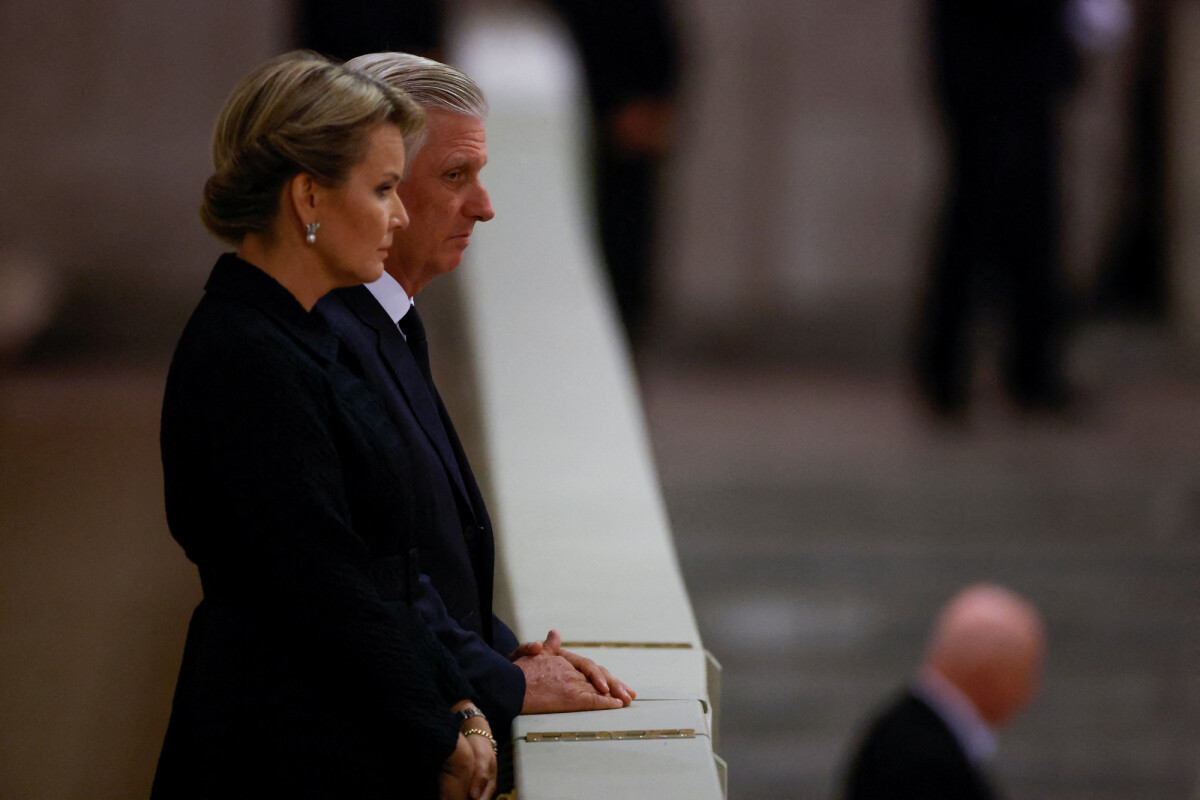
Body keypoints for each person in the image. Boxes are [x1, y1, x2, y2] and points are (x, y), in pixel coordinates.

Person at [152, 52, 496, 800]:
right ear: (309, 197)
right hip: (280, 754)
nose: (399, 213)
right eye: (381, 189)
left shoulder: (295, 336)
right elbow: (320, 585)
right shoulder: (247, 356)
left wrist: (463, 699)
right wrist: (445, 728)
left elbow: (382, 573)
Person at [316, 52, 635, 785]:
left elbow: (419, 559)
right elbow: (366, 571)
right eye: (455, 177)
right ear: (381, 185)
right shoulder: (331, 340)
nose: (485, 207)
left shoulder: (387, 320)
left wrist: (505, 656)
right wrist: (506, 686)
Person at [915, 0, 1081, 417]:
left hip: (1015, 61)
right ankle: (949, 365)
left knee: (1027, 219)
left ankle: (1027, 365)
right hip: (991, 63)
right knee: (980, 214)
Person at [841, 584, 1046, 800]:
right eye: (1023, 674)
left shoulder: (900, 735)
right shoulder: (924, 760)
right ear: (986, 673)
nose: (1026, 694)